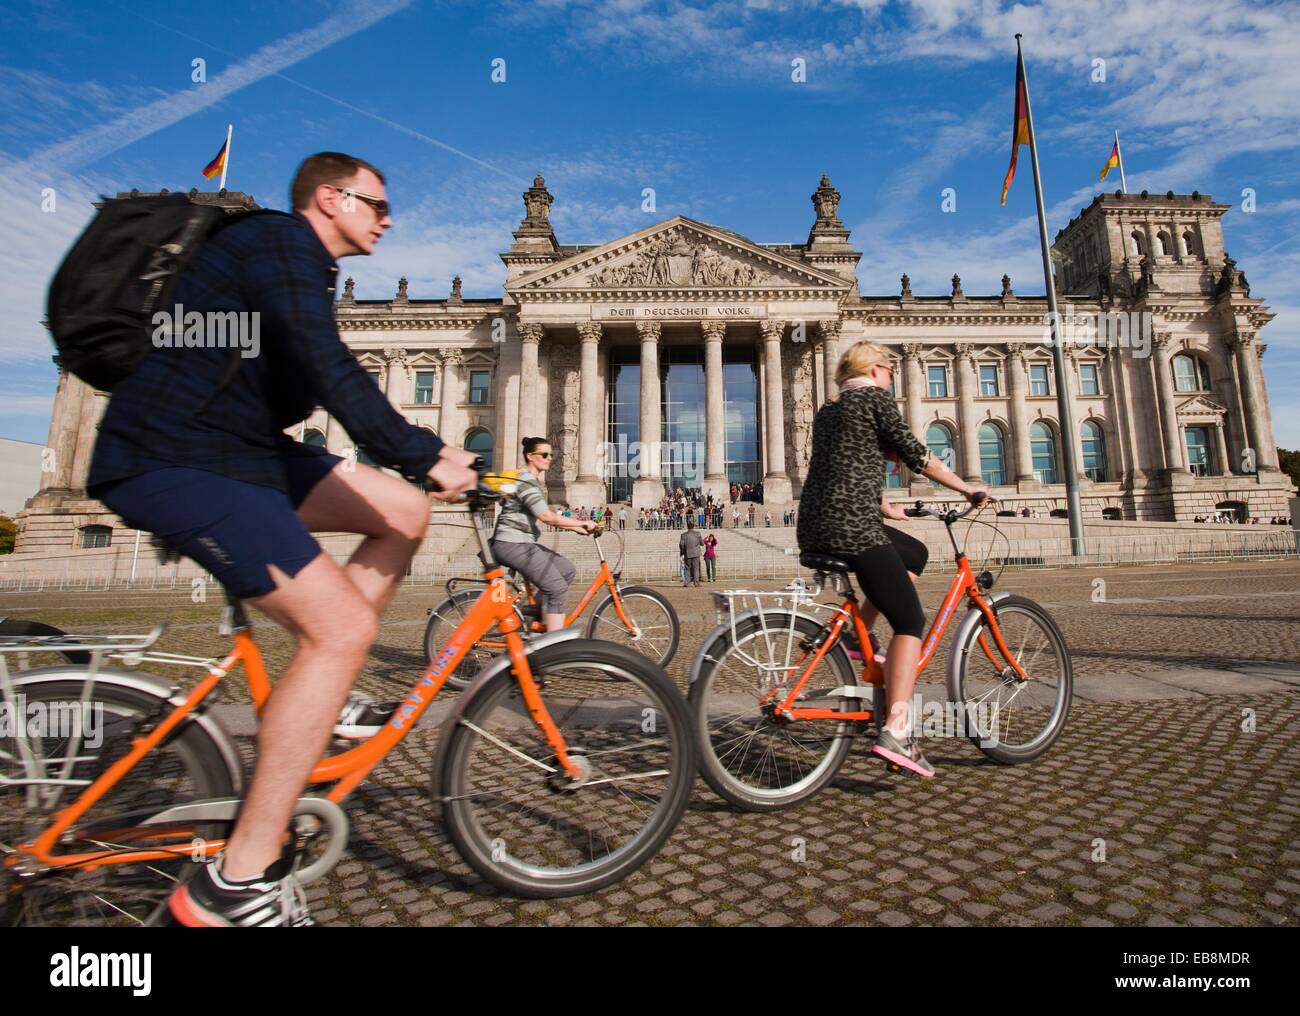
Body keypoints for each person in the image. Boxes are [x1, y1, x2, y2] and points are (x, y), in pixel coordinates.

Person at [86, 152, 480, 926]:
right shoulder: (275, 245)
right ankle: (237, 881)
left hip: (240, 452)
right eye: (376, 202)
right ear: (329, 200)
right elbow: (330, 365)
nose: (388, 217)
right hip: (174, 454)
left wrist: (411, 472)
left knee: (403, 512)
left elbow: (305, 370)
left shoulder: (303, 271)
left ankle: (323, 696)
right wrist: (423, 448)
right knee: (339, 626)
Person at [797, 341, 986, 779]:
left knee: (912, 553)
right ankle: (897, 731)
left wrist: (884, 506)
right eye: (891, 371)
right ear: (878, 369)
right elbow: (920, 457)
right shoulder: (874, 400)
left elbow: (840, 464)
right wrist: (967, 489)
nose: (893, 379)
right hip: (851, 525)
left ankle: (849, 633)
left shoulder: (831, 409)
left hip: (816, 521)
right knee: (909, 622)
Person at [490, 437, 599, 632]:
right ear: (531, 456)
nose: (549, 458)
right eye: (544, 454)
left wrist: (575, 527)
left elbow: (540, 513)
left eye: (551, 454)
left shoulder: (526, 478)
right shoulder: (526, 480)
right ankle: (553, 646)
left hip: (522, 543)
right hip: (513, 543)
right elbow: (546, 516)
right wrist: (581, 521)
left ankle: (530, 616)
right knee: (557, 588)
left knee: (566, 569)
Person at [680, 519, 704, 587]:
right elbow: (702, 543)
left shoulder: (683, 535)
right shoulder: (698, 533)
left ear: (687, 527)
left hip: (687, 553)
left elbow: (681, 545)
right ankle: (696, 583)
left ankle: (687, 583)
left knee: (687, 568)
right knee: (696, 568)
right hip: (696, 553)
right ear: (693, 527)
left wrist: (682, 552)